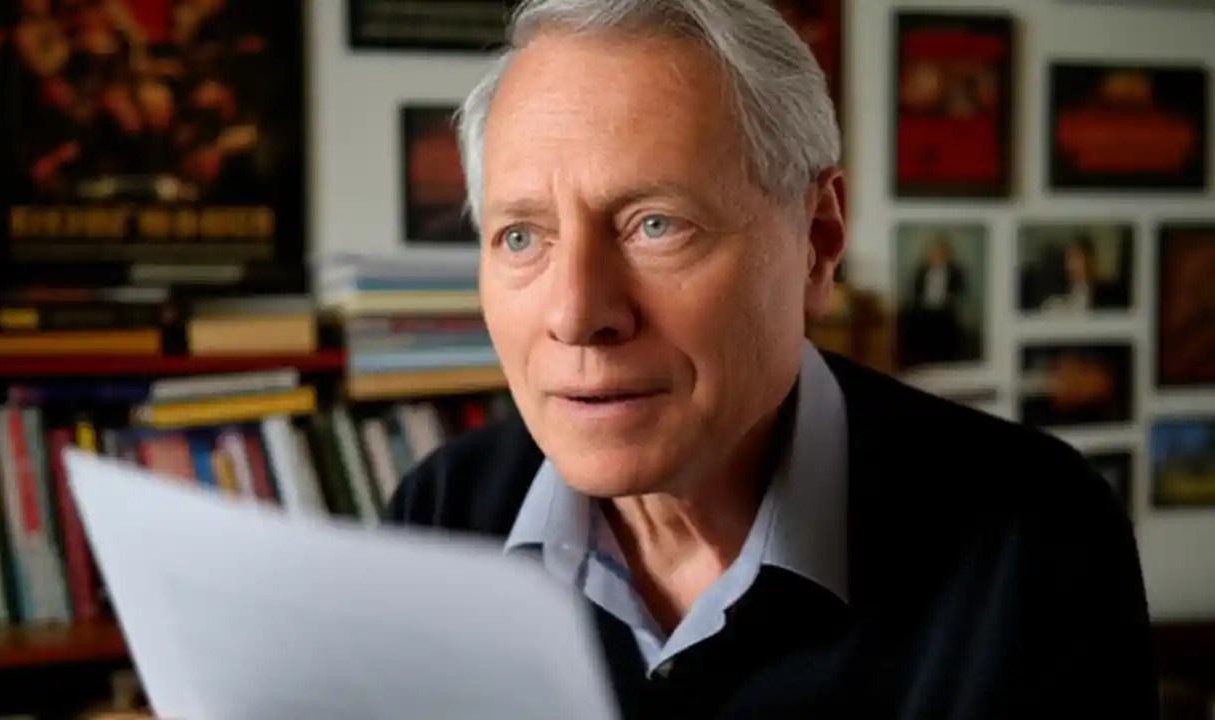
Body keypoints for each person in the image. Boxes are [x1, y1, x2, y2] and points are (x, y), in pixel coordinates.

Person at [388, 1, 1156, 718]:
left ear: (818, 242)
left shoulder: (1038, 536)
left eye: (655, 224)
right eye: (522, 237)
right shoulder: (441, 518)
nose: (578, 315)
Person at [901, 236, 967, 366]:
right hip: (925, 311)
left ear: (947, 253)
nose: (937, 254)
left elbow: (960, 291)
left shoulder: (955, 271)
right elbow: (915, 290)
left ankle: (945, 363)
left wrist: (950, 300)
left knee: (945, 341)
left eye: (940, 251)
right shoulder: (922, 270)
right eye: (934, 251)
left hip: (945, 312)